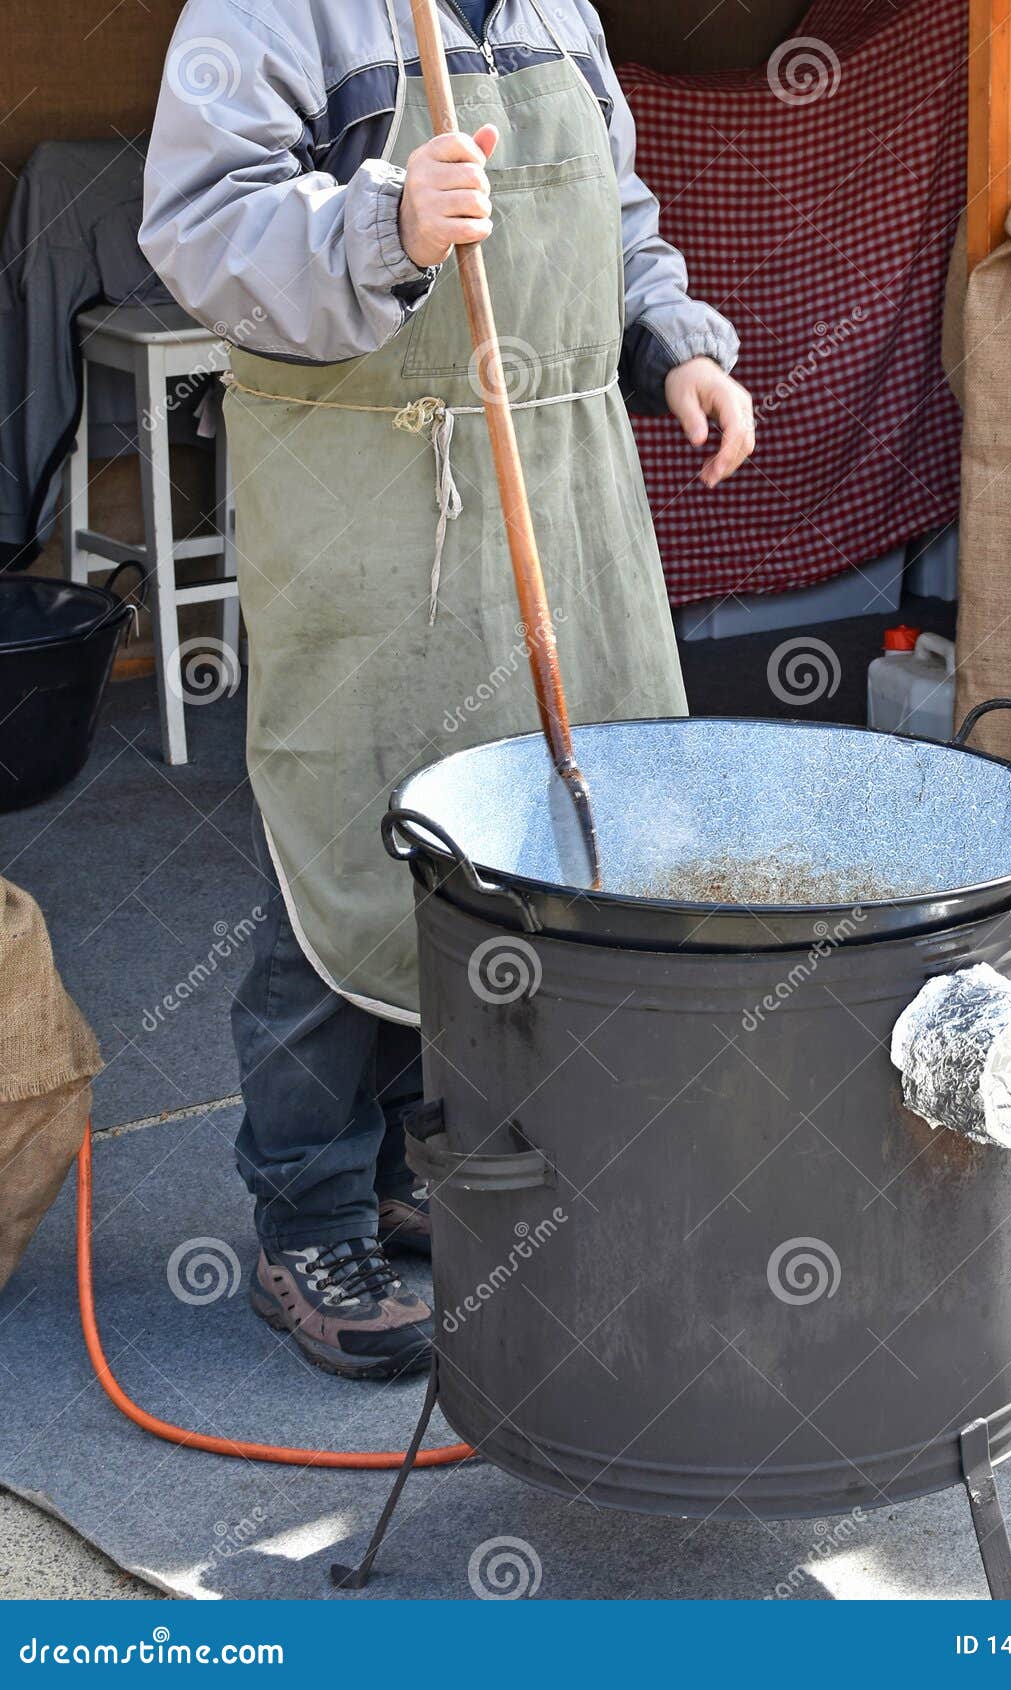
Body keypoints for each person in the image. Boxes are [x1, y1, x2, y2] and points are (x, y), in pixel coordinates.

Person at [141, 0, 754, 1379]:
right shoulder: (268, 12)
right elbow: (195, 227)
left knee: (521, 850)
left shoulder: (555, 11)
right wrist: (382, 225)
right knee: (353, 856)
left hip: (554, 483)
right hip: (376, 498)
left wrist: (675, 343)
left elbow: (618, 209)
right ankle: (306, 1217)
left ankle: (428, 1156)